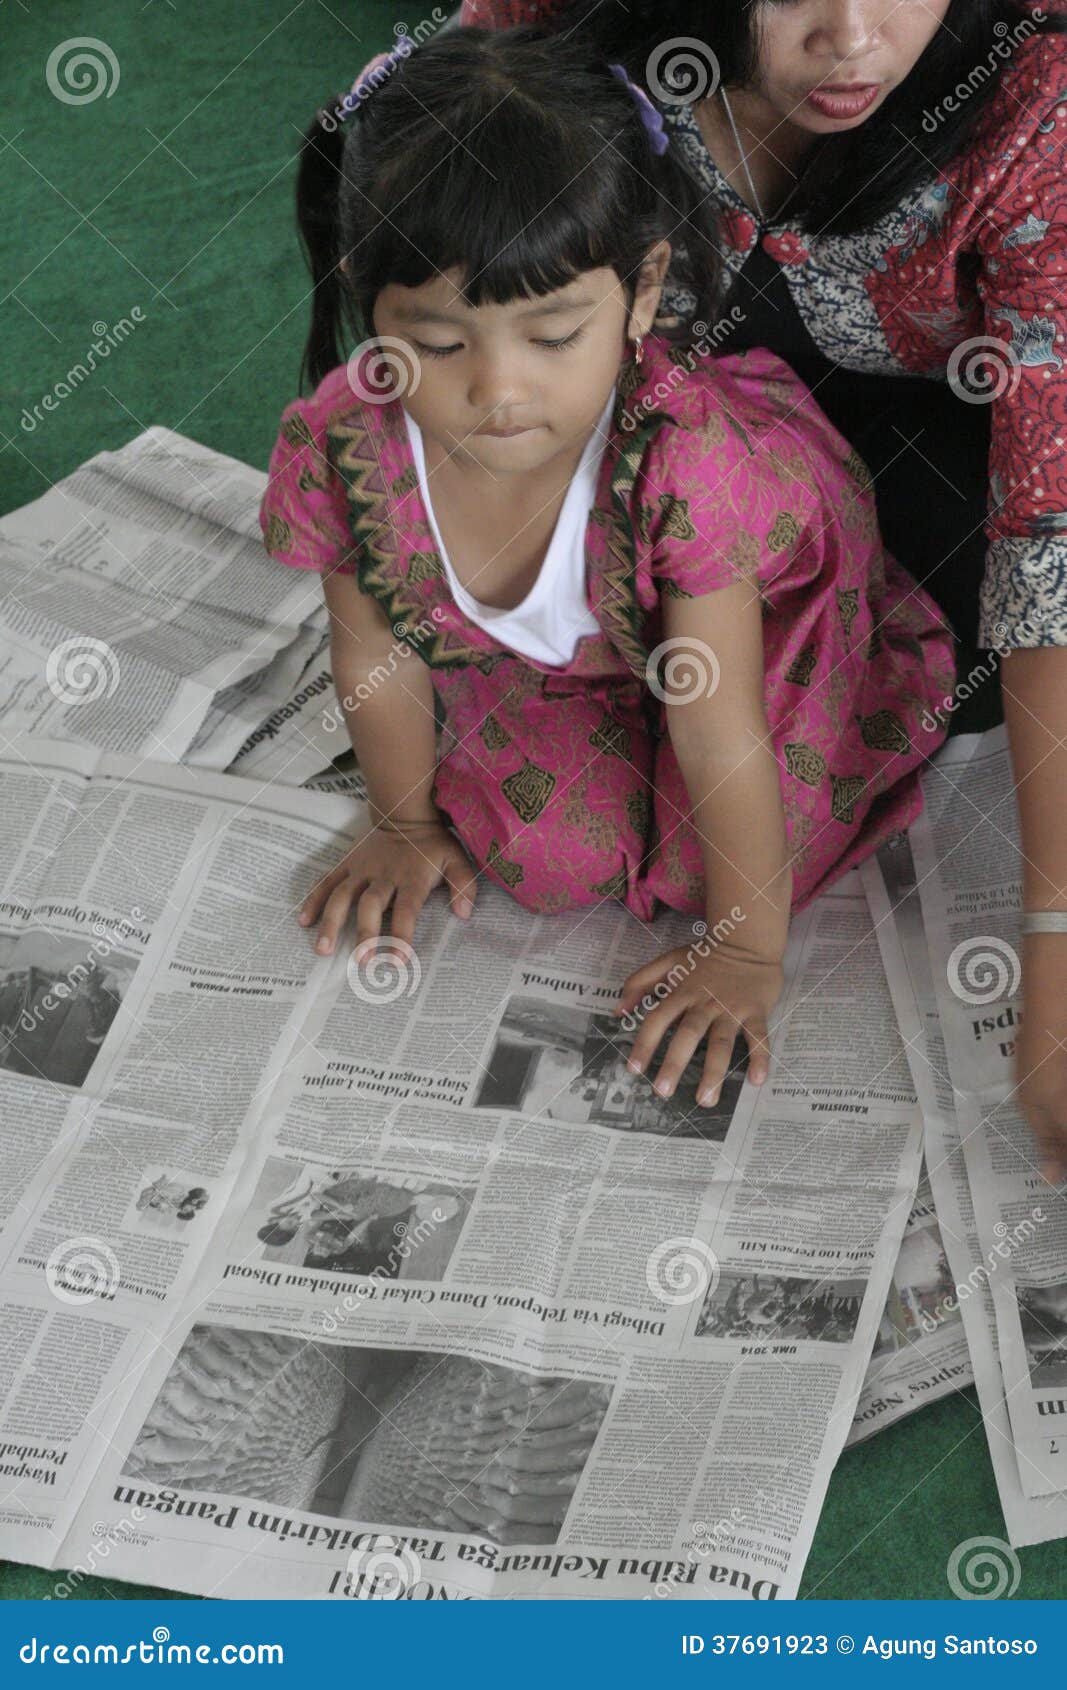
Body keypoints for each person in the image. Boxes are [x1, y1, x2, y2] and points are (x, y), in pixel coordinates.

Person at [259, 25, 956, 1109]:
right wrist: (400, 823)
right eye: (440, 343)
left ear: (639, 295)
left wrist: (744, 954)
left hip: (759, 641)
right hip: (600, 659)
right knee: (541, 856)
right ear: (370, 301)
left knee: (703, 872)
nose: (498, 393)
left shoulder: (687, 467)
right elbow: (374, 655)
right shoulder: (344, 450)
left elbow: (716, 723)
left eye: (551, 336)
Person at [458, 1, 1067, 1172]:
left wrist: (1053, 944)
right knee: (557, 821)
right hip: (651, 421)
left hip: (937, 449)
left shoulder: (1031, 93)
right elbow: (409, 194)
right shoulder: (555, 25)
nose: (848, 39)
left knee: (924, 704)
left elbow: (1049, 526)